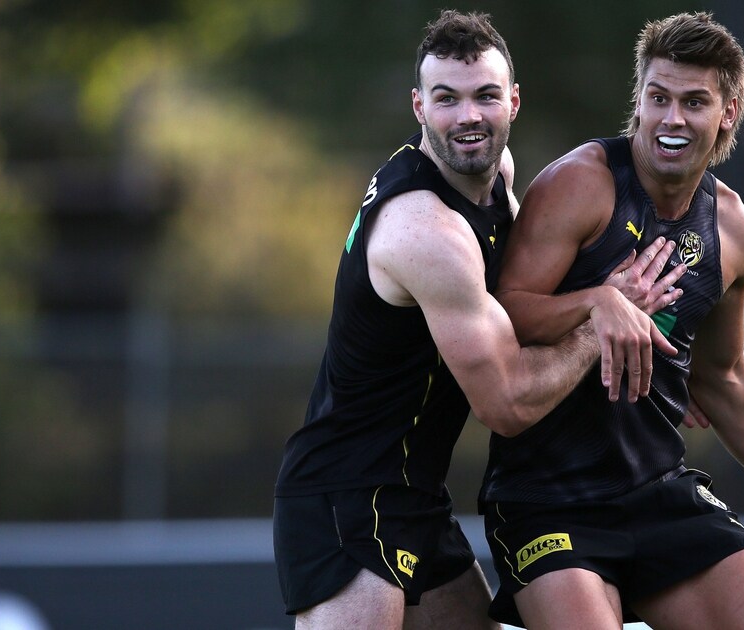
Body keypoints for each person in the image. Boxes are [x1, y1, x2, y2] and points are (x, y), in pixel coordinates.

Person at [272, 10, 683, 629]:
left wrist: (643, 341)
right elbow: (509, 404)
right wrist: (604, 316)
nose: (468, 117)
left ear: (513, 101)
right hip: (346, 495)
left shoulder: (496, 178)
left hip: (417, 492)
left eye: (486, 96)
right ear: (418, 107)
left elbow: (524, 306)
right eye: (447, 99)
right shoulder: (426, 231)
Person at [480, 12, 744, 629]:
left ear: (729, 111)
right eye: (658, 98)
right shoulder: (580, 185)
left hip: (657, 491)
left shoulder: (736, 231)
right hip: (547, 503)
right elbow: (504, 313)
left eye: (694, 102)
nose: (672, 119)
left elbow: (723, 376)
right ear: (637, 103)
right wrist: (597, 301)